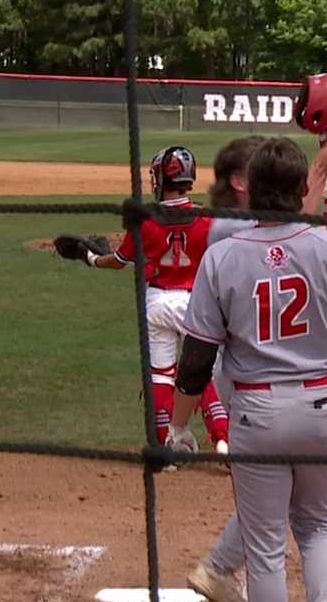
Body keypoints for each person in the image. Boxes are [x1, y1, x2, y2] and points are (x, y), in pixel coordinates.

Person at [167, 137, 327, 602]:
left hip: (258, 413)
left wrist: (177, 426)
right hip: (325, 407)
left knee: (265, 545)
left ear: (251, 189)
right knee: (317, 525)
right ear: (303, 188)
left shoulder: (223, 255)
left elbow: (196, 357)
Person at [68, 146, 231, 452]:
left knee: (160, 375)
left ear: (160, 178)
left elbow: (118, 260)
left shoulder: (145, 220)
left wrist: (91, 259)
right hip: (196, 306)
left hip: (156, 304)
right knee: (201, 371)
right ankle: (222, 439)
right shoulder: (209, 219)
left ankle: (163, 448)